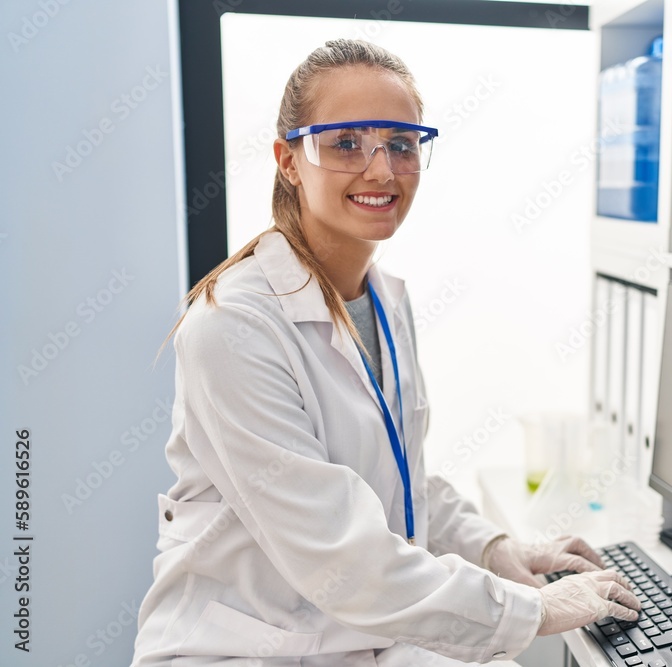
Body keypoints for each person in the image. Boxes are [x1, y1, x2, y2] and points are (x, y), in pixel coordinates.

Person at [130, 38, 640, 666]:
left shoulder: (384, 301)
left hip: (355, 635)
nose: (381, 170)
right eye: (346, 142)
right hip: (245, 650)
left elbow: (396, 473)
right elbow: (341, 556)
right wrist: (537, 609)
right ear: (289, 160)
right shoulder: (233, 327)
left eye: (400, 144)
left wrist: (491, 547)